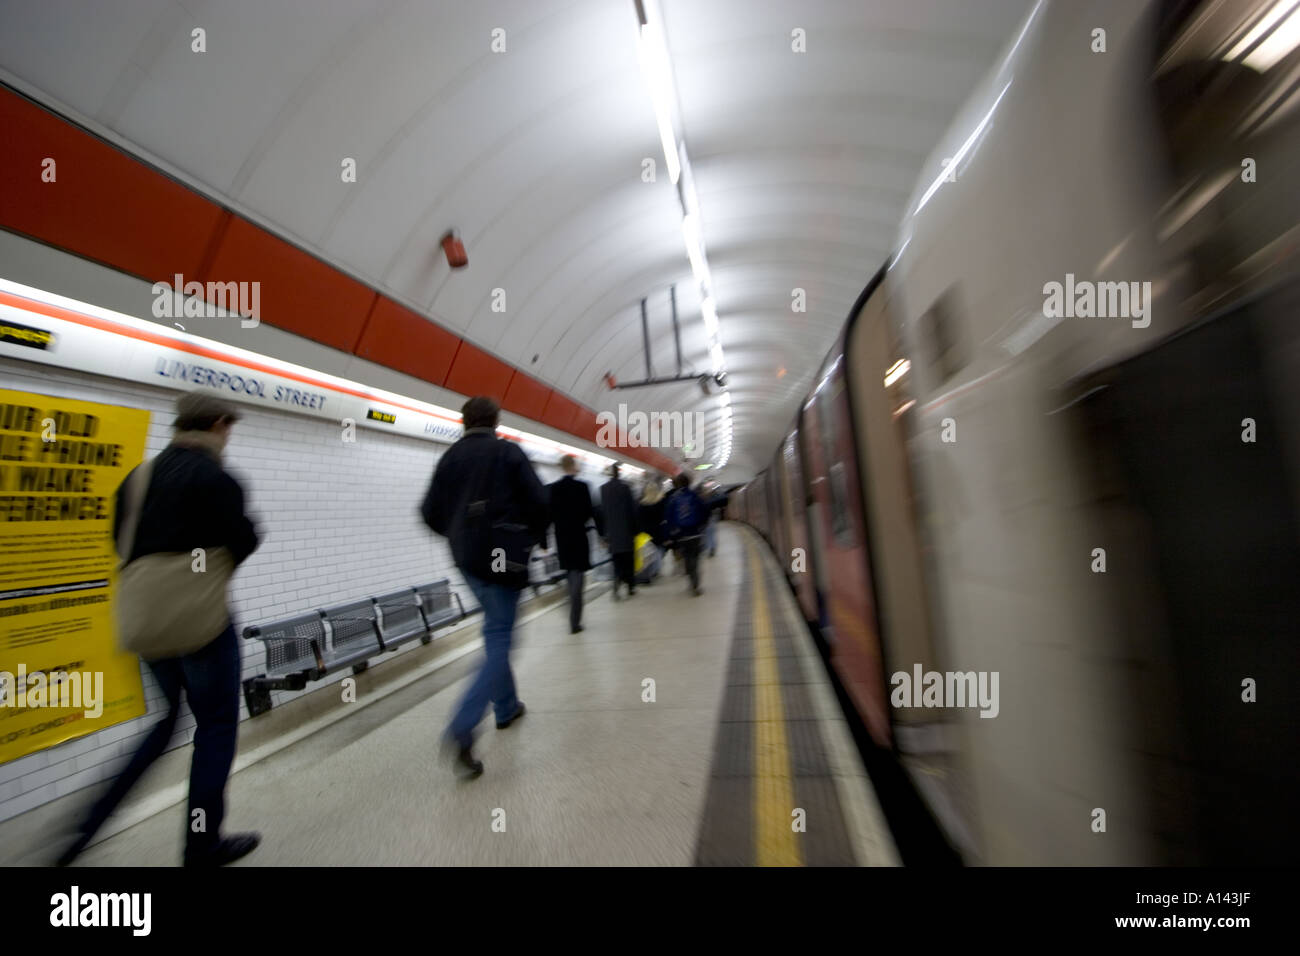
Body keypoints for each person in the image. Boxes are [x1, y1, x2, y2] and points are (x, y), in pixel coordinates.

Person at [58, 392, 261, 867]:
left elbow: (119, 543)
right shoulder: (218, 478)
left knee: (167, 721)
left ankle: (82, 830)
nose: (227, 436)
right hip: (201, 626)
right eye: (227, 428)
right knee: (214, 730)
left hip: (143, 625)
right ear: (216, 424)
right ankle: (201, 846)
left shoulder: (137, 478)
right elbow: (245, 539)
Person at [421, 396, 548, 777]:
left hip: (469, 561)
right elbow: (540, 501)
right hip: (503, 557)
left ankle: (506, 707)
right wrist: (534, 535)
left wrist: (459, 533)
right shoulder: (507, 453)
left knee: (495, 628)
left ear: (462, 422)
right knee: (501, 637)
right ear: (495, 421)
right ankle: (463, 725)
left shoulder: (449, 459)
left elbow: (429, 513)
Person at [547, 454, 596, 634]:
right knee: (579, 577)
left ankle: (571, 605)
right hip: (579, 536)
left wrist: (544, 540)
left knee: (570, 572)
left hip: (562, 538)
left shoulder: (554, 489)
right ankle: (575, 619)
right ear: (573, 466)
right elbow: (588, 512)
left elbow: (550, 514)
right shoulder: (582, 487)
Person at [598, 463, 639, 599]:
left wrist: (604, 535)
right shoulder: (626, 488)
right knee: (629, 561)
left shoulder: (603, 489)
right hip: (626, 532)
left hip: (612, 534)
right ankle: (630, 587)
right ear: (619, 473)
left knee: (616, 561)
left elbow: (602, 513)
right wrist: (635, 531)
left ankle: (616, 586)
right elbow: (632, 511)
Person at [666, 472, 708, 596]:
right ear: (689, 482)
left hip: (681, 535)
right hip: (695, 533)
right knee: (695, 558)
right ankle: (696, 584)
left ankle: (691, 580)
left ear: (678, 484)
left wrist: (672, 534)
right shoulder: (695, 496)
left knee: (687, 558)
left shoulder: (673, 499)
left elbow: (669, 518)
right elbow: (704, 511)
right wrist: (702, 526)